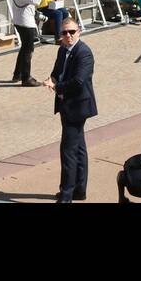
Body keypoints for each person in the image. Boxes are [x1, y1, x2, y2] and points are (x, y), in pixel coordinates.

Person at [46, 18, 96, 203]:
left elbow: (79, 81)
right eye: (64, 33)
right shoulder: (62, 50)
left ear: (79, 32)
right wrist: (51, 79)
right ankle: (79, 190)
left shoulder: (84, 53)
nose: (68, 36)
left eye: (71, 32)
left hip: (77, 106)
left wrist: (57, 87)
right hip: (66, 105)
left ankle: (66, 195)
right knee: (79, 149)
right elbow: (57, 71)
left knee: (68, 151)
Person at [11, 0, 45, 86]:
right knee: (28, 51)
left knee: (24, 48)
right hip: (25, 23)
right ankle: (26, 78)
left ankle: (18, 74)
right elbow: (37, 1)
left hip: (21, 20)